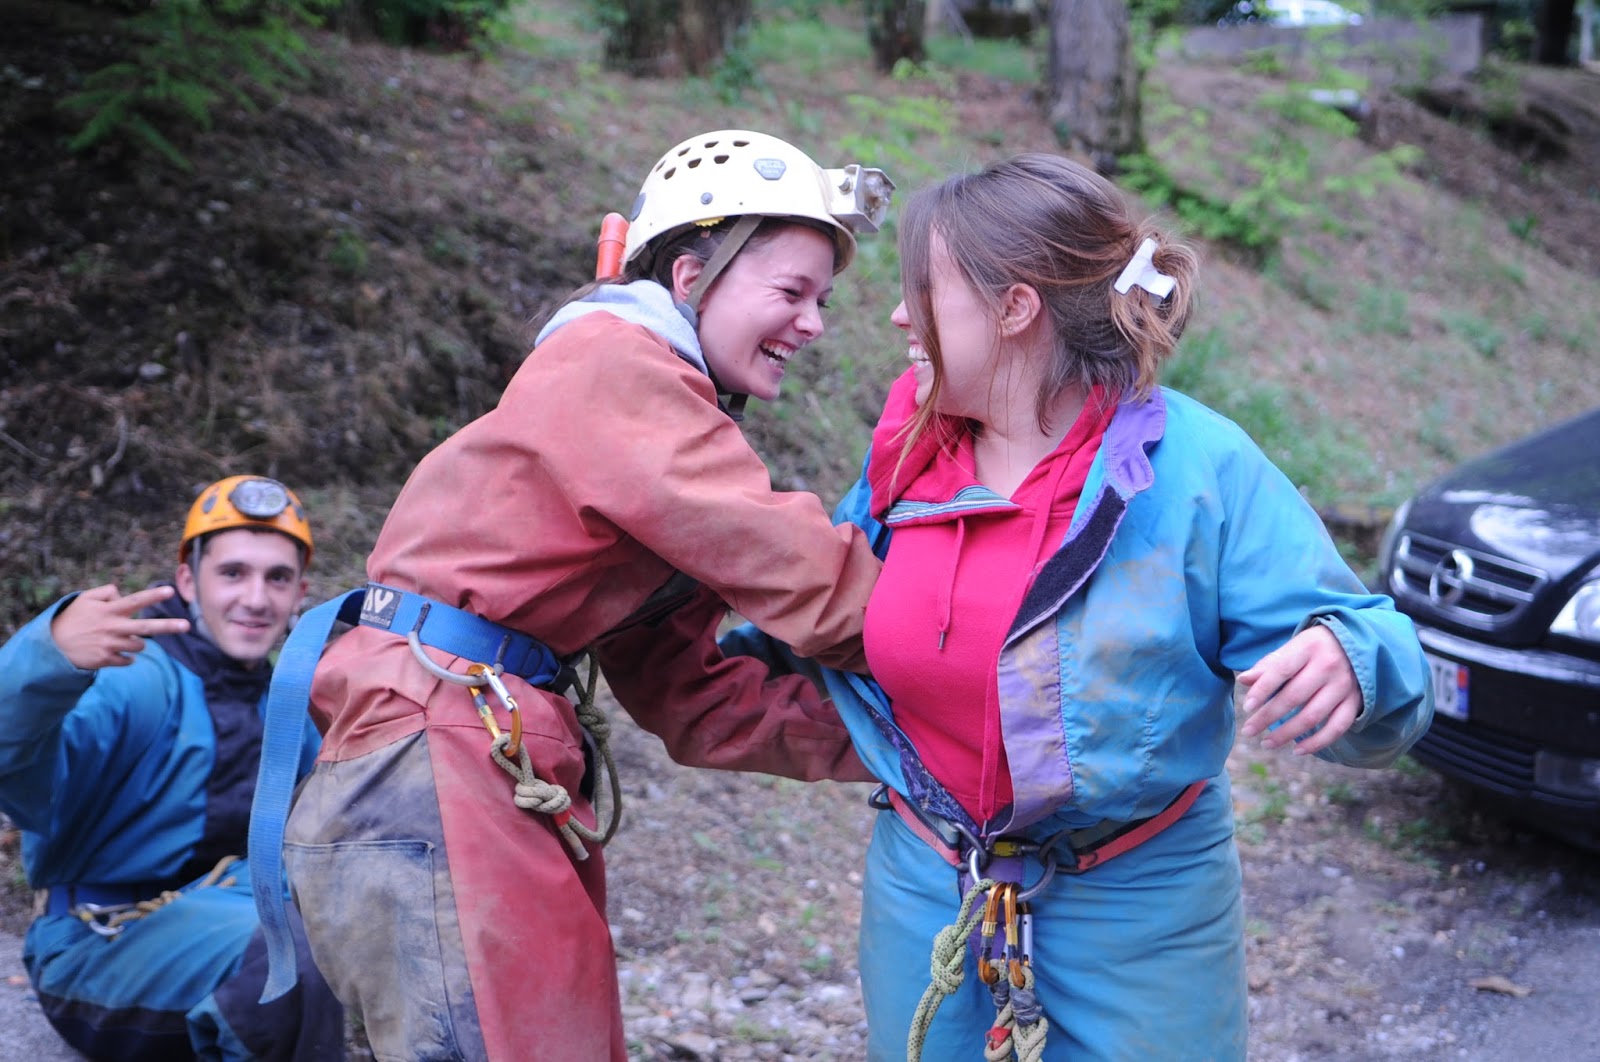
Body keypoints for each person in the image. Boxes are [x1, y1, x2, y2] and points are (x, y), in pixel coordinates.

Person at [722, 152, 1435, 1060]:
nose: (899, 316)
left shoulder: (1196, 468)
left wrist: (1354, 661)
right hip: (925, 890)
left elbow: (1382, 656)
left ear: (1015, 308)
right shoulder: (909, 455)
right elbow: (821, 625)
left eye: (922, 292)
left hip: (1140, 915)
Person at [246, 129, 895, 1061]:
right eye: (791, 292)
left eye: (821, 301)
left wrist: (910, 740)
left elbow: (694, 696)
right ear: (691, 277)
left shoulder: (644, 447)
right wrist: (986, 653)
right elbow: (815, 583)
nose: (814, 324)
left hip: (458, 747)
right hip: (438, 748)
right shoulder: (617, 368)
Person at [0, 475, 342, 1061]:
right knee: (287, 960)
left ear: (300, 594)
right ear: (188, 580)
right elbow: (17, 768)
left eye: (277, 578)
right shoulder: (132, 681)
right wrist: (46, 657)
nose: (256, 598)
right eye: (232, 573)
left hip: (229, 925)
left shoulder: (289, 709)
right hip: (97, 946)